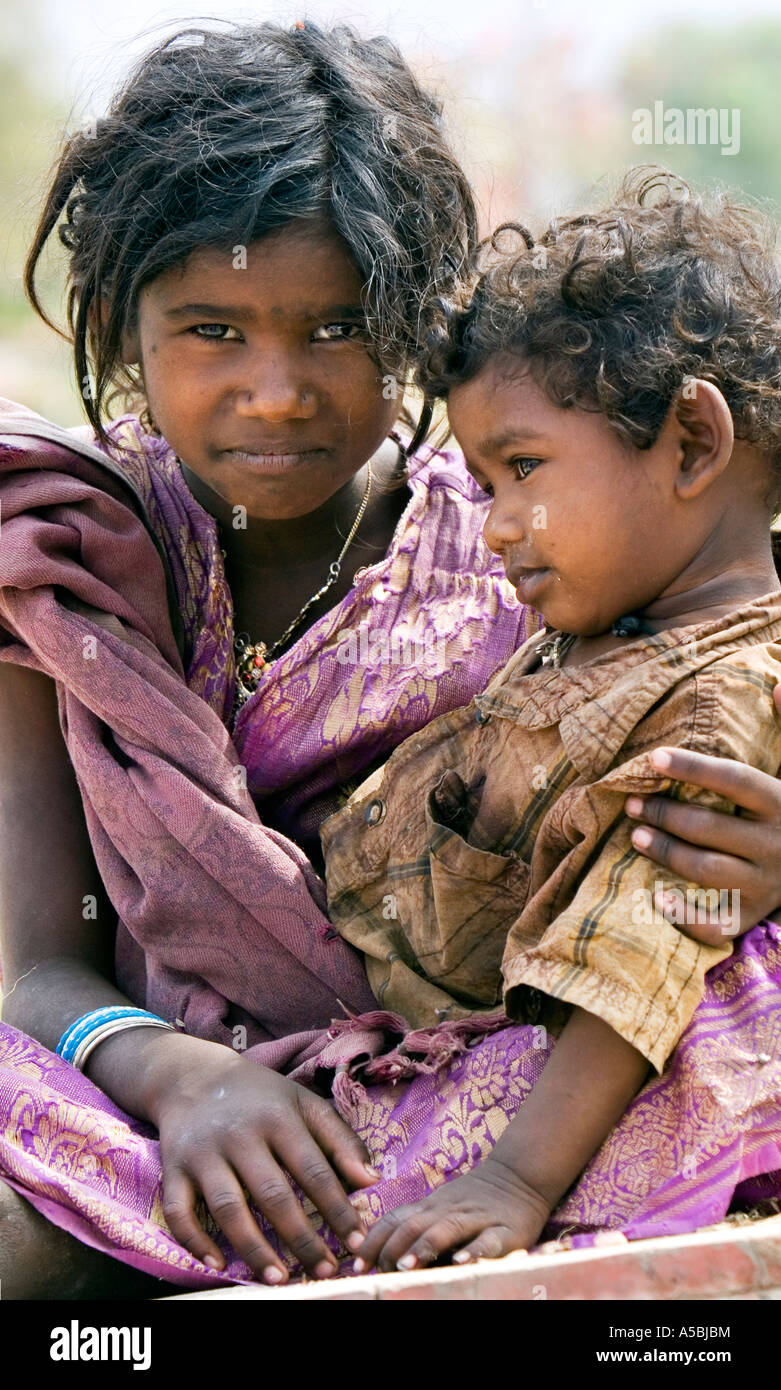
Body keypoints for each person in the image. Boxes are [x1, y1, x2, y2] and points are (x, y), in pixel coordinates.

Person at [0, 23, 779, 1299]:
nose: (278, 390)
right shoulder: (71, 558)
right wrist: (184, 1075)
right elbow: (39, 970)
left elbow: (697, 734)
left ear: (418, 324)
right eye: (210, 328)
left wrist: (761, 863)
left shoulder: (537, 542)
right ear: (118, 323)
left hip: (482, 1093)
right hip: (162, 1103)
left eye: (337, 329)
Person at [321, 169, 781, 1273]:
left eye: (521, 469)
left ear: (689, 444)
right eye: (481, 484)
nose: (495, 528)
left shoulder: (728, 690)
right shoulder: (604, 624)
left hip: (564, 1093)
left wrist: (514, 1179)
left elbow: (640, 941)